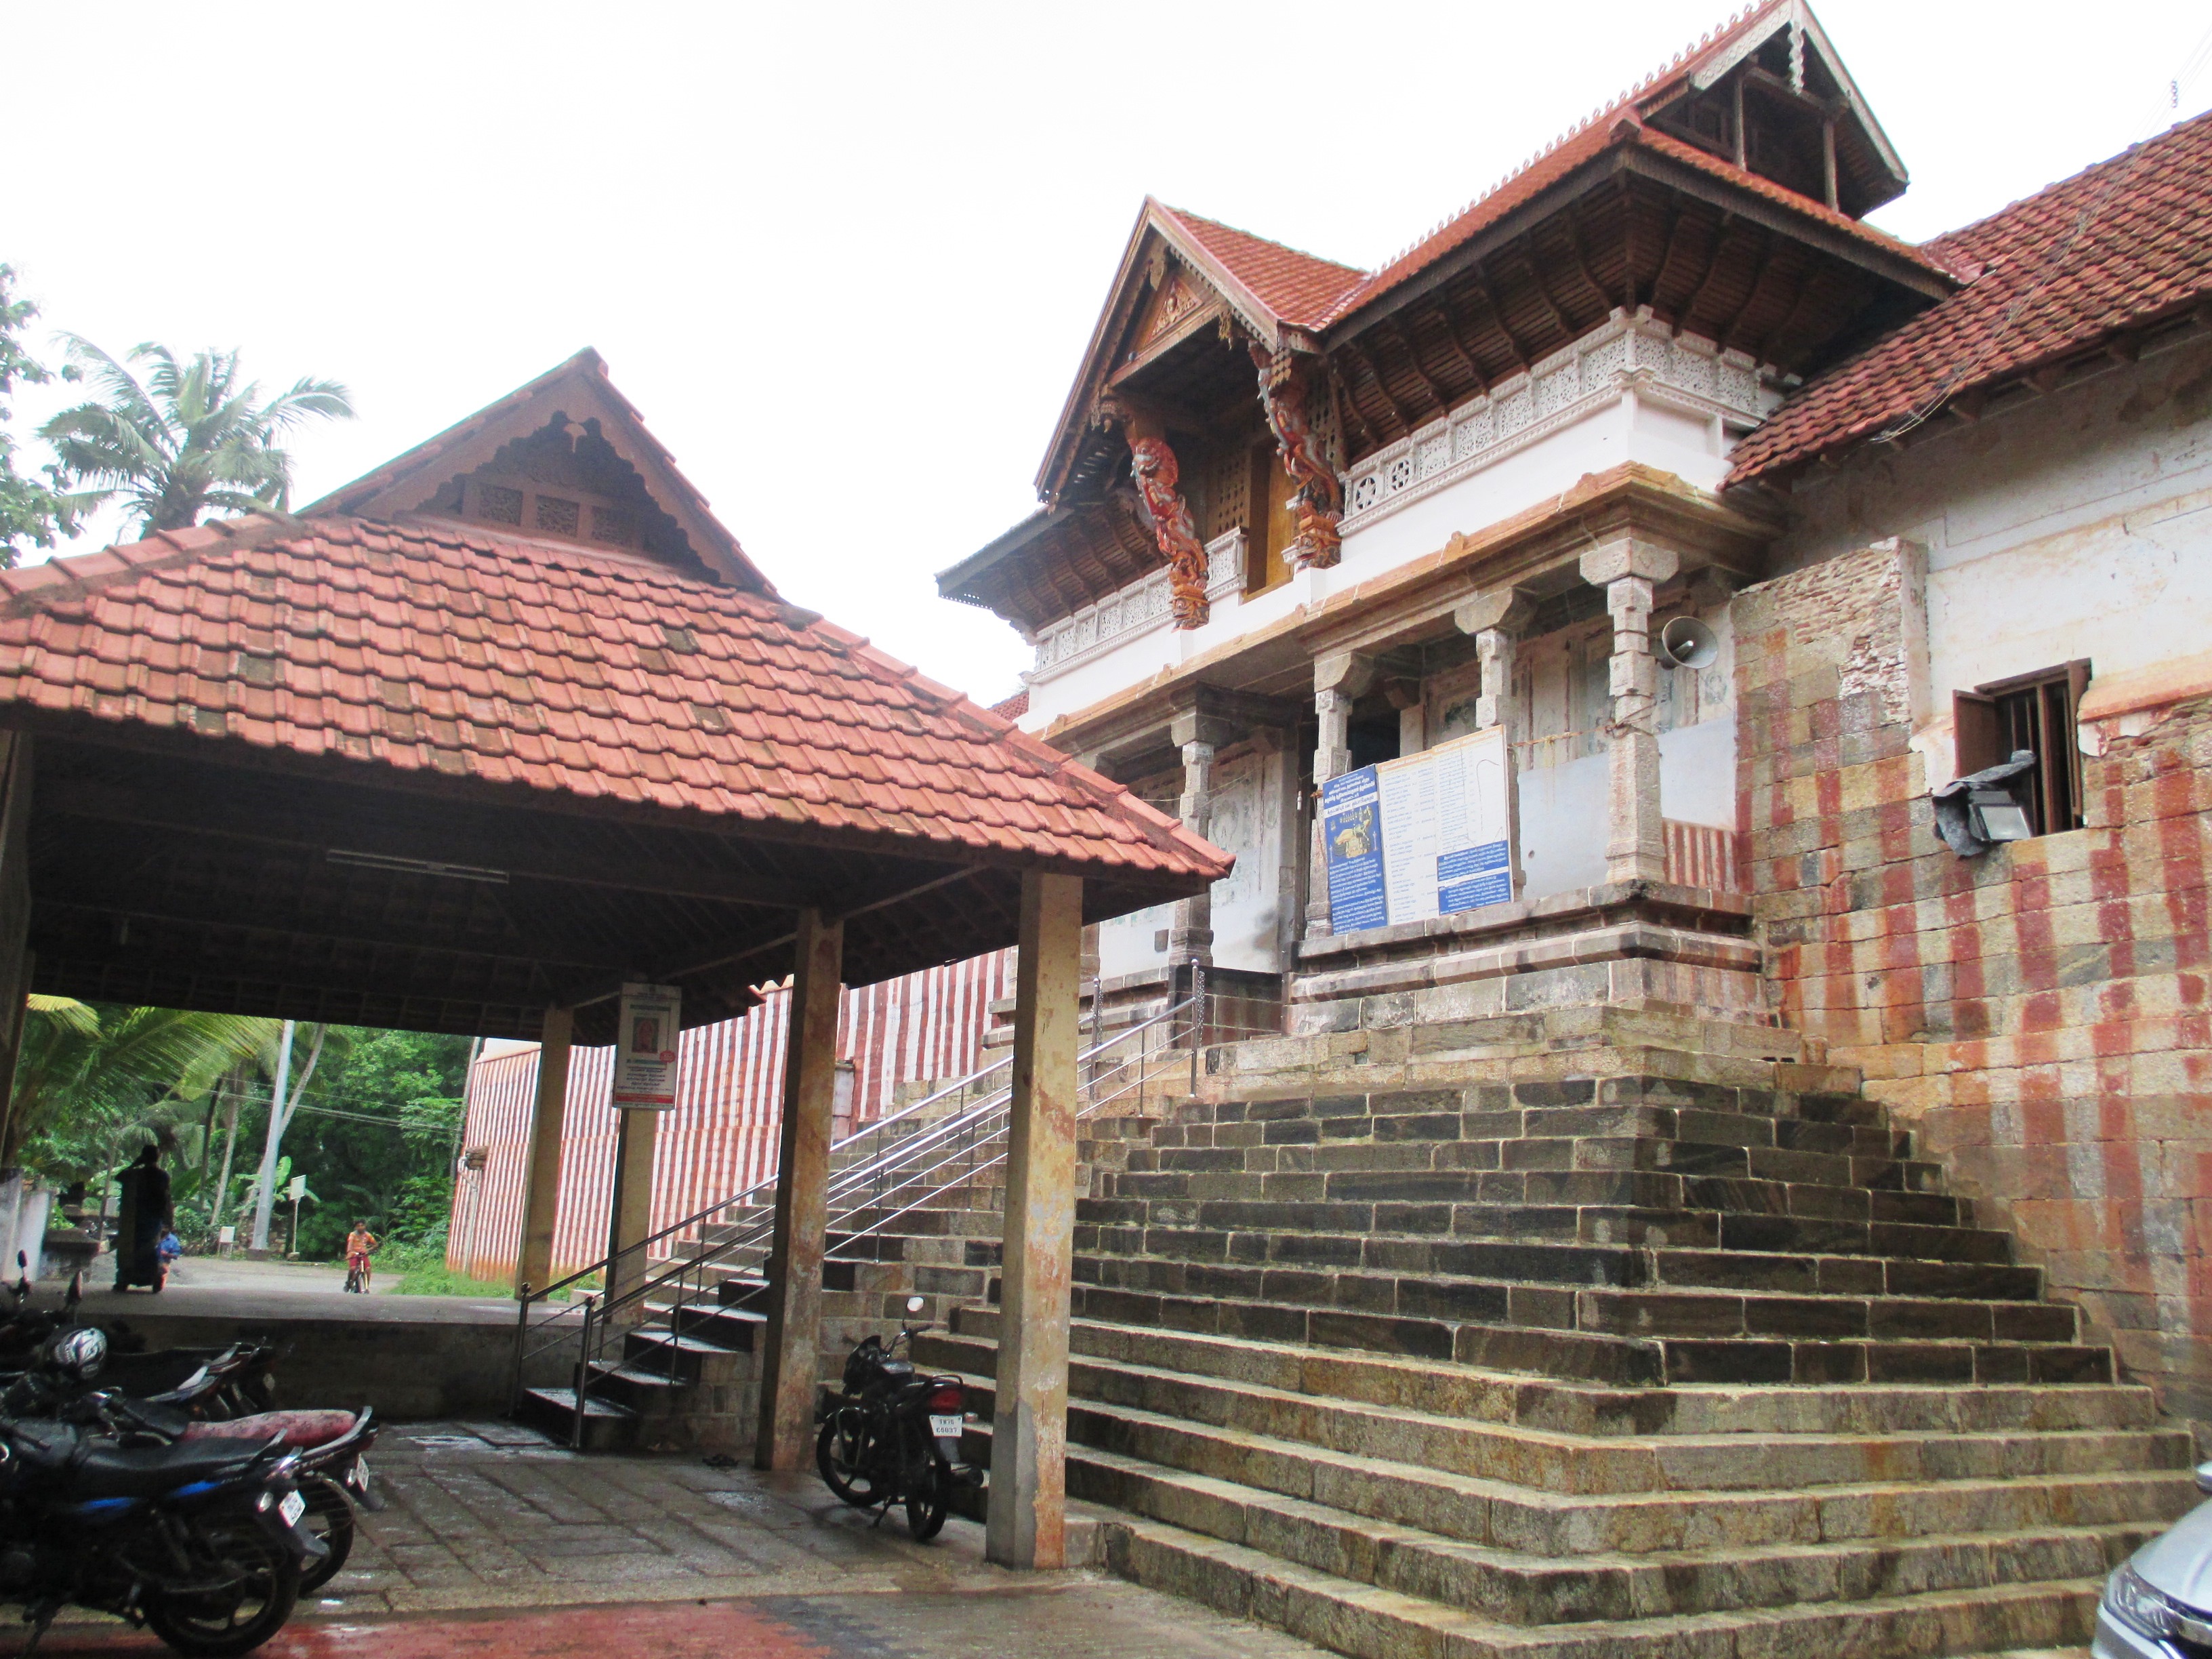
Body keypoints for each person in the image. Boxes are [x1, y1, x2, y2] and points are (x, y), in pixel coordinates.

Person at [112, 1145, 173, 1293]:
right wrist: (169, 1219)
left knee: (131, 1248)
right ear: (158, 1157)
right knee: (150, 1248)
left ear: (143, 1157)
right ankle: (151, 1276)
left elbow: (119, 1177)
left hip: (135, 1219)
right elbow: (167, 1199)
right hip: (153, 1218)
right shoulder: (163, 1175)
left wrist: (134, 1164)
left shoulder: (135, 1174)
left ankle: (127, 1277)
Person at [345, 1221, 380, 1292]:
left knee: (368, 1269)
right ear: (356, 1228)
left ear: (365, 1226)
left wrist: (368, 1250)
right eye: (358, 1226)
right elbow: (350, 1244)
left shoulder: (368, 1235)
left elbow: (376, 1245)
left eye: (362, 1225)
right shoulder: (353, 1235)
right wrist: (349, 1252)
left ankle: (366, 1287)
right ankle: (349, 1282)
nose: (361, 1227)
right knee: (353, 1268)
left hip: (363, 1254)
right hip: (354, 1253)